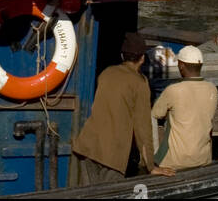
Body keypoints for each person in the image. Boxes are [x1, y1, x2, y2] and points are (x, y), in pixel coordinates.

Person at [69, 32, 174, 186]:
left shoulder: (106, 73)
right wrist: (150, 166)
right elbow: (143, 128)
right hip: (112, 155)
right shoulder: (140, 83)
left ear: (122, 56)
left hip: (87, 147)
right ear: (142, 58)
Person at [152, 45, 218, 171]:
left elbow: (155, 113)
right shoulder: (212, 89)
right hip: (203, 158)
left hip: (174, 160)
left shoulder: (173, 90)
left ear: (181, 66)